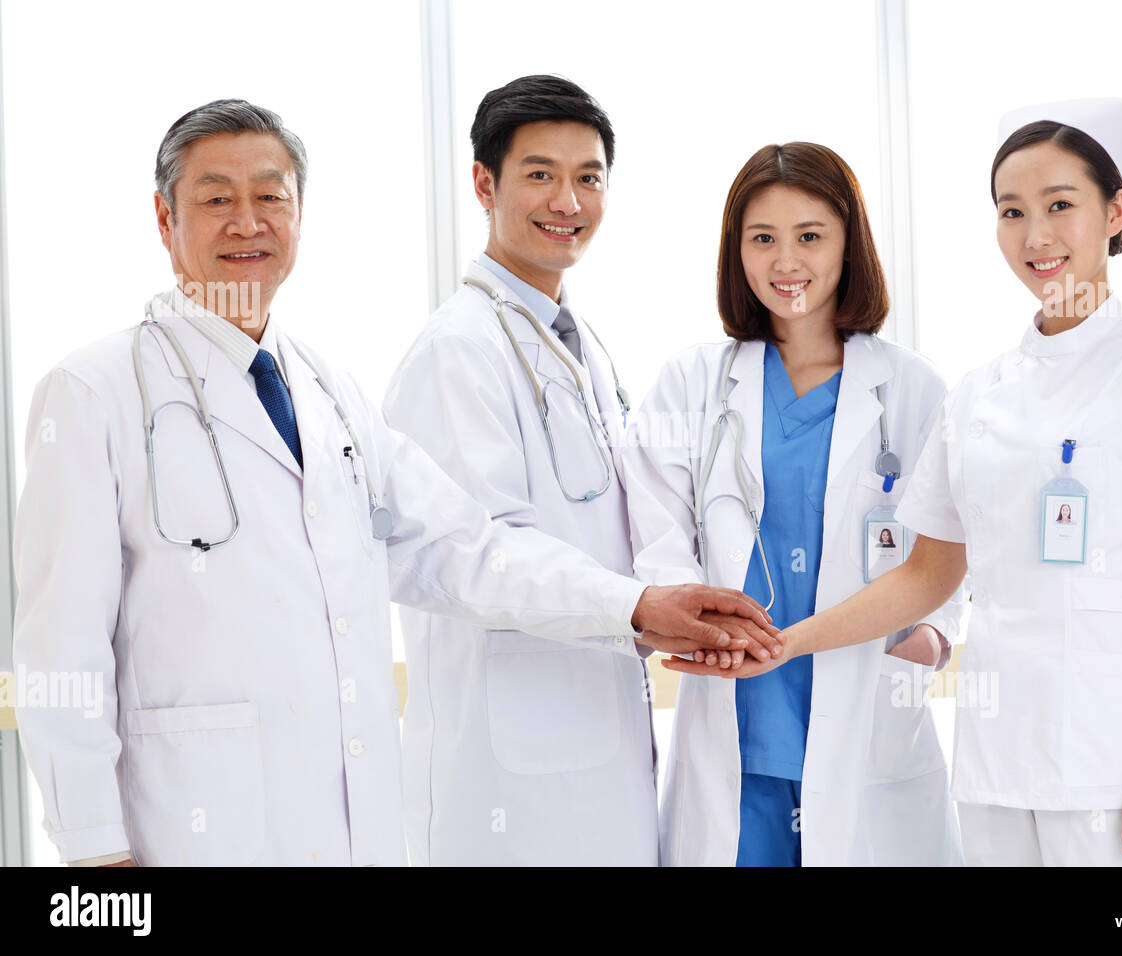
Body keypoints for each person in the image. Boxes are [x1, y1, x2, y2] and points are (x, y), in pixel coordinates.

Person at [12, 98, 775, 868]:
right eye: (217, 200)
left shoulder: (329, 391)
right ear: (164, 218)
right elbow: (60, 649)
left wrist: (637, 603)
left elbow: (462, 548)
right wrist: (95, 853)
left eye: (270, 197)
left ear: (299, 215)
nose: (248, 223)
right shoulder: (94, 392)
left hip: (348, 831)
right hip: (186, 832)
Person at [670, 99, 1122, 867]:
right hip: (998, 771)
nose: (1036, 237)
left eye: (1060, 206)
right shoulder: (979, 394)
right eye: (1012, 211)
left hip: (1120, 772)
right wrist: (787, 645)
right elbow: (926, 574)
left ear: (1116, 211)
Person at [383, 76, 778, 866]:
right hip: (503, 784)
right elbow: (475, 554)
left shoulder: (577, 342)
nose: (568, 200)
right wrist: (637, 605)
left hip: (600, 753)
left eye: (588, 178)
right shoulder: (458, 349)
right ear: (483, 183)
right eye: (540, 174)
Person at [622, 142, 966, 867]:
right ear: (735, 252)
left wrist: (928, 638)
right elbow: (653, 525)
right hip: (736, 734)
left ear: (849, 243)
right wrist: (698, 618)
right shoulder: (692, 385)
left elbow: (955, 550)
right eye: (762, 239)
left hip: (868, 720)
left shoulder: (912, 391)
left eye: (810, 236)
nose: (787, 262)